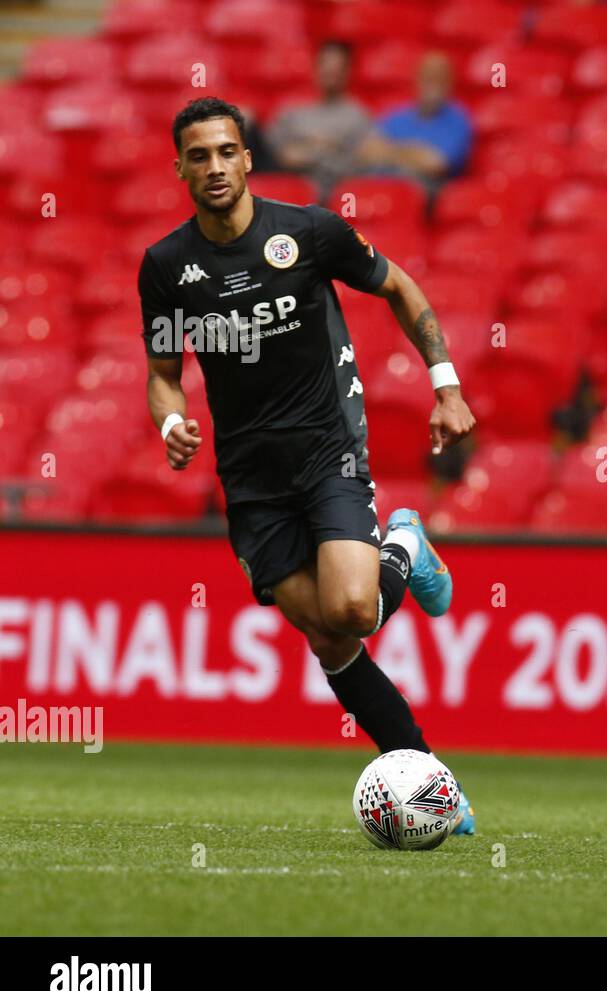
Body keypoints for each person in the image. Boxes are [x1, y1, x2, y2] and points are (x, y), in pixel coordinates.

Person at [138, 97, 478, 833]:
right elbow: (163, 368)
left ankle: (405, 543)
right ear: (180, 170)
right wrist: (171, 418)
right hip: (251, 479)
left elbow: (397, 286)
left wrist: (444, 384)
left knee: (353, 608)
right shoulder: (167, 267)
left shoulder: (309, 232)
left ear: (248, 157)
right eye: (199, 156)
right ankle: (438, 789)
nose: (216, 167)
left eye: (227, 151)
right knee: (330, 638)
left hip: (328, 448)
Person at [266, 40, 372, 199]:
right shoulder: (292, 111)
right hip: (289, 186)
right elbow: (275, 153)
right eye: (326, 64)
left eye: (337, 67)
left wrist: (312, 151)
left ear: (348, 71)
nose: (330, 71)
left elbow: (361, 162)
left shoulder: (357, 116)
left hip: (334, 191)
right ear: (316, 67)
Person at [358, 52, 473, 187]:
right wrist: (416, 153)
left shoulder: (458, 121)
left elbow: (436, 165)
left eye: (439, 79)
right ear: (416, 80)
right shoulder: (397, 117)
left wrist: (390, 151)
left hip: (427, 194)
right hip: (384, 185)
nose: (433, 85)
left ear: (450, 83)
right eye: (427, 78)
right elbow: (367, 152)